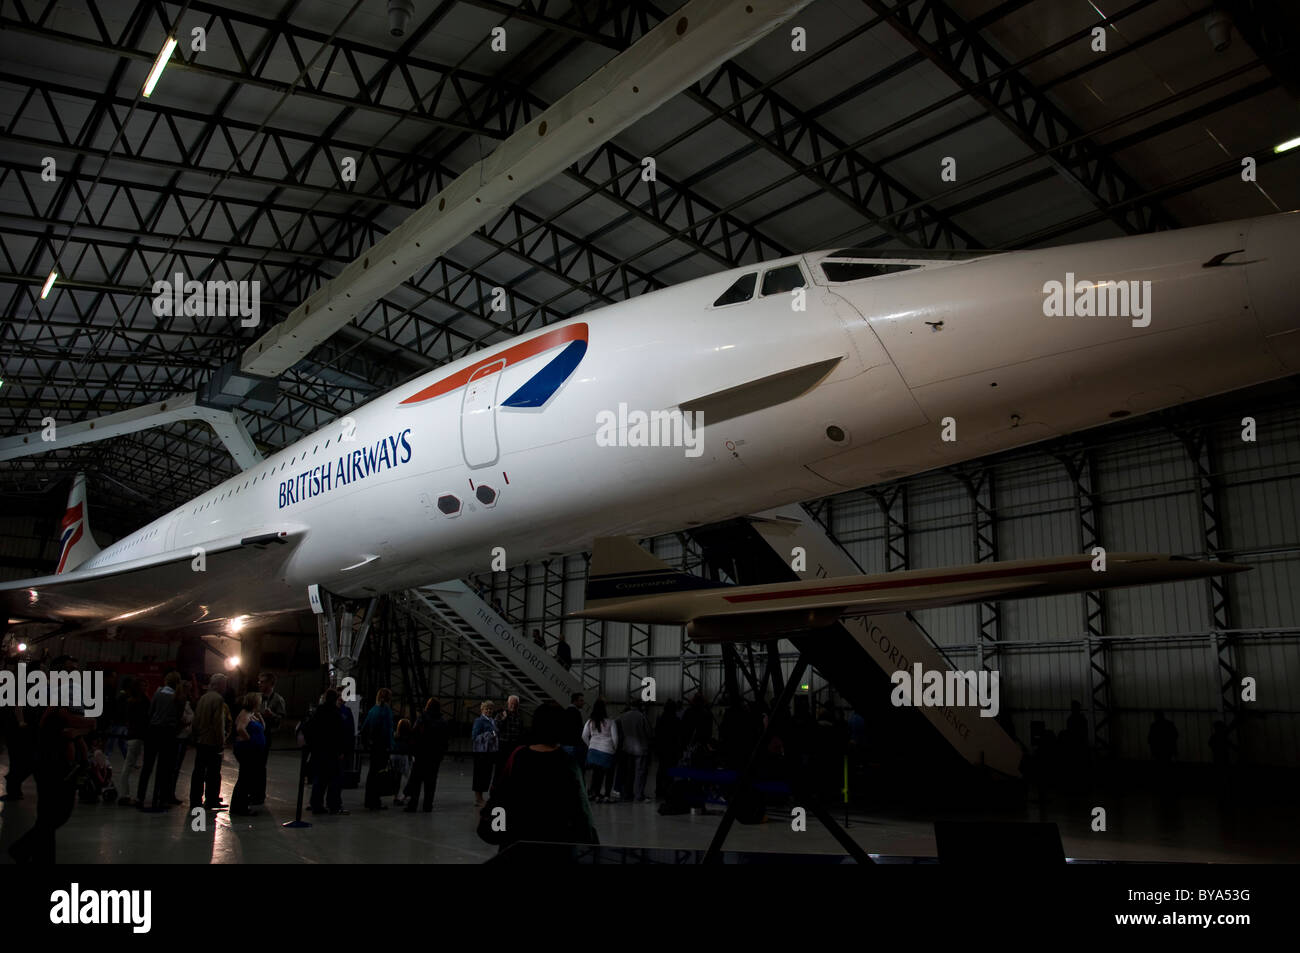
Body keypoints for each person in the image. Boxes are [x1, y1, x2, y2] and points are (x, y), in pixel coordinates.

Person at [480, 702, 597, 862]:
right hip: (557, 846)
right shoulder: (568, 763)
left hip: (518, 843)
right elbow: (581, 808)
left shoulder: (518, 756)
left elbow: (501, 794)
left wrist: (498, 829)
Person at [7, 703, 96, 863]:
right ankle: (24, 850)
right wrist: (85, 726)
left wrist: (81, 729)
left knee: (49, 816)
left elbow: (81, 726)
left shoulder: (58, 706)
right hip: (53, 765)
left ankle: (29, 853)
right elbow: (77, 725)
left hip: (54, 765)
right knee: (55, 815)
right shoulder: (56, 708)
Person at [137, 671, 182, 810]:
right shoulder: (179, 697)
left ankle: (141, 796)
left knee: (147, 766)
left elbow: (150, 712)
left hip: (153, 731)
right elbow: (179, 717)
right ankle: (161, 798)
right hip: (168, 734)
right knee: (164, 768)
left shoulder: (158, 694)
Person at [190, 673, 230, 810]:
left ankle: (195, 800)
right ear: (219, 685)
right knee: (213, 773)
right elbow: (218, 723)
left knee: (198, 772)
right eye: (224, 684)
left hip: (201, 740)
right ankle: (211, 800)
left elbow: (195, 720)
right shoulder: (218, 699)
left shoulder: (203, 698)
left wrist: (195, 736)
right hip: (212, 742)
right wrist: (221, 741)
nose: (225, 687)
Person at [307, 689, 348, 815]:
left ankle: (316, 804)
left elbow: (311, 729)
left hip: (319, 751)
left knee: (319, 780)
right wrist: (341, 750)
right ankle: (333, 805)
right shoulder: (336, 714)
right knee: (335, 780)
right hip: (332, 752)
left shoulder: (318, 712)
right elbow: (340, 734)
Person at [405, 697, 449, 812]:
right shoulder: (443, 722)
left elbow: (414, 734)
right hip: (435, 757)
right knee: (431, 782)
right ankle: (428, 805)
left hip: (421, 755)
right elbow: (445, 740)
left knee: (416, 781)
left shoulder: (422, 719)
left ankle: (413, 804)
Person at [230, 693, 267, 816]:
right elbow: (240, 728)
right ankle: (239, 807)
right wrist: (249, 740)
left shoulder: (252, 714)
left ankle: (241, 805)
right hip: (248, 750)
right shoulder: (245, 713)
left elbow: (262, 728)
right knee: (245, 778)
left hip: (254, 750)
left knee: (247, 777)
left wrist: (260, 716)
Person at [253, 672, 286, 806]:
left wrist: (272, 715)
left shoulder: (278, 700)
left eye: (262, 682)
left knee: (260, 766)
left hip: (265, 735)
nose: (259, 684)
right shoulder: (256, 698)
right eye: (259, 681)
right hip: (253, 733)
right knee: (253, 765)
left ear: (270, 683)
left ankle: (259, 795)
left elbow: (281, 719)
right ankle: (252, 791)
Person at [115, 679, 149, 806]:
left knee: (127, 766)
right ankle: (124, 794)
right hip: (138, 736)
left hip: (131, 735)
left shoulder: (129, 702)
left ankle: (124, 793)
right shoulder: (143, 702)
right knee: (128, 765)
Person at [359, 688, 395, 810]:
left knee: (372, 774)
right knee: (379, 775)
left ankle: (369, 800)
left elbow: (364, 729)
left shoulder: (373, 710)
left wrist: (367, 744)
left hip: (374, 747)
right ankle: (375, 801)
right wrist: (390, 747)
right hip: (382, 747)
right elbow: (387, 731)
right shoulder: (387, 712)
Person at [582, 699, 620, 803]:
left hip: (593, 752)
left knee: (597, 773)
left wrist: (590, 745)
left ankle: (595, 794)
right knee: (609, 774)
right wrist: (614, 749)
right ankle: (607, 795)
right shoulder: (610, 722)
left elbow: (584, 735)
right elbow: (615, 738)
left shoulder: (590, 721)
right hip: (607, 751)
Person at [615, 701, 652, 802]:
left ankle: (627, 794)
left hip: (627, 748)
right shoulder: (642, 717)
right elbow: (649, 733)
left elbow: (616, 729)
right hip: (641, 749)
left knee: (628, 772)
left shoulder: (622, 716)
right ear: (640, 707)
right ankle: (638, 795)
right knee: (640, 773)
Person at [170, 682, 195, 803]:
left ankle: (170, 792)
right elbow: (184, 719)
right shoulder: (181, 702)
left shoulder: (185, 702)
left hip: (183, 736)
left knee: (175, 767)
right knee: (174, 767)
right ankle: (169, 793)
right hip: (180, 736)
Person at [471, 700, 498, 807]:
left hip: (489, 752)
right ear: (482, 710)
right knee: (479, 776)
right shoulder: (479, 721)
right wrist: (489, 735)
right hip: (481, 753)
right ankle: (478, 799)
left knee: (486, 776)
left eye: (491, 709)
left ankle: (481, 798)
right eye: (486, 708)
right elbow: (474, 737)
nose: (489, 710)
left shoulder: (492, 720)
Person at [654, 699, 681, 800]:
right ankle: (669, 791)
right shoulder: (677, 720)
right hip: (673, 750)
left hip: (662, 749)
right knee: (670, 772)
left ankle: (659, 791)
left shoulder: (660, 719)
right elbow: (679, 737)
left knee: (661, 770)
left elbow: (656, 735)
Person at [496, 695, 526, 778]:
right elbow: (497, 728)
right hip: (503, 745)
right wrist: (504, 718)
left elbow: (521, 732)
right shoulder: (501, 714)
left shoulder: (520, 717)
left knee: (513, 768)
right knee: (501, 768)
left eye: (515, 704)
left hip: (515, 746)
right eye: (511, 704)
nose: (513, 706)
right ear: (508, 703)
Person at [391, 719, 413, 808]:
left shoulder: (395, 736)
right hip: (404, 757)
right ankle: (404, 796)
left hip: (394, 756)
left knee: (396, 777)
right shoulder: (409, 738)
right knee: (409, 778)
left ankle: (395, 796)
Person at [563, 693, 586, 769]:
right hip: (574, 745)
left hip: (566, 744)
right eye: (581, 700)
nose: (583, 702)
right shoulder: (576, 713)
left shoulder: (566, 711)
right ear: (575, 701)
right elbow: (579, 730)